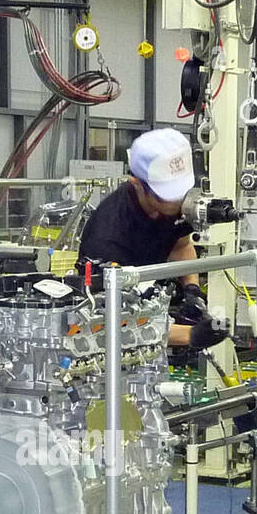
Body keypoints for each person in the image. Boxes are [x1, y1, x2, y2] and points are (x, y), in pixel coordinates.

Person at [78, 128, 227, 349]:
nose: (178, 202)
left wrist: (191, 289)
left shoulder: (175, 206)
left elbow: (181, 246)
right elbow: (108, 323)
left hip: (151, 311)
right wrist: (189, 336)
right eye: (168, 194)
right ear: (137, 184)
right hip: (116, 343)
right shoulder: (107, 238)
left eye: (181, 191)